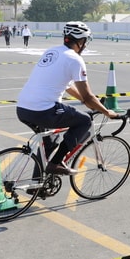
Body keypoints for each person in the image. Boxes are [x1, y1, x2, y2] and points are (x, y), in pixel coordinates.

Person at [16, 21, 117, 175]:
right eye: (85, 41)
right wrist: (106, 112)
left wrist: (85, 101)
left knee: (50, 143)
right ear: (80, 41)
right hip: (44, 110)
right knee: (85, 121)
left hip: (23, 108)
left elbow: (68, 86)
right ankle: (55, 164)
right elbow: (88, 96)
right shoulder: (75, 59)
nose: (85, 45)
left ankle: (37, 184)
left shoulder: (52, 52)